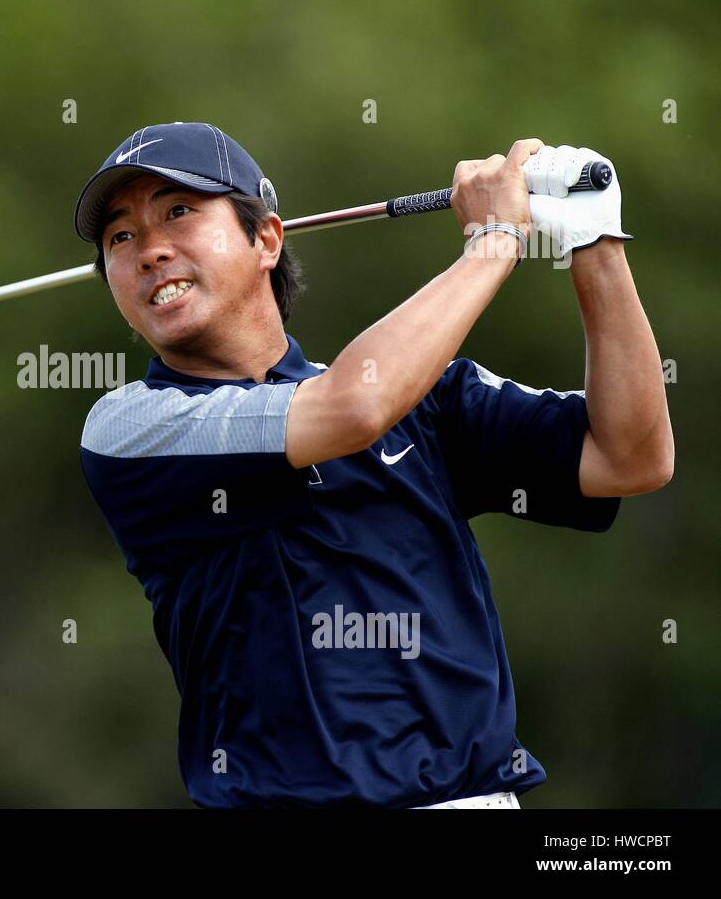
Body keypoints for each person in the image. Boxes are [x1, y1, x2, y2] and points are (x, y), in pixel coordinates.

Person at [73, 122, 674, 808]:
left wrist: (594, 239)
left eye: (178, 212)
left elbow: (631, 455)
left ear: (266, 238)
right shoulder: (130, 428)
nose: (150, 250)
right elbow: (355, 407)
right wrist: (494, 242)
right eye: (120, 237)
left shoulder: (427, 397)